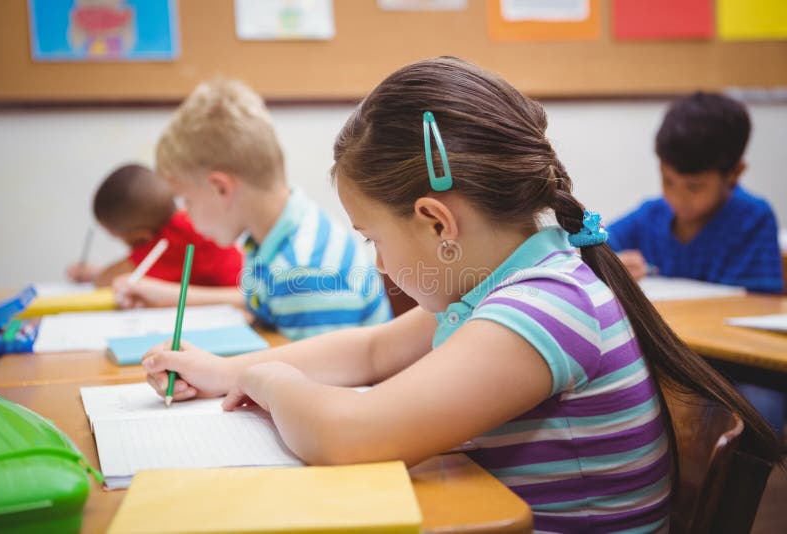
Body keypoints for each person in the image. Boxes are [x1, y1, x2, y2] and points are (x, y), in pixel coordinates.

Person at [141, 59, 782, 531]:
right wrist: (226, 370)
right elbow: (367, 352)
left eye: (372, 238)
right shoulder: (503, 284)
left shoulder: (541, 309)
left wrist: (270, 379)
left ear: (437, 222)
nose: (378, 264)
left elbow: (350, 434)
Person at [114, 79, 391, 340]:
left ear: (221, 188)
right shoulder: (277, 231)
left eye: (187, 200)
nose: (185, 214)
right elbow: (265, 300)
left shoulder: (304, 271)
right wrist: (165, 294)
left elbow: (322, 383)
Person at [608, 92, 783, 294]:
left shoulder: (753, 220)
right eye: (668, 181)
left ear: (735, 173)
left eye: (694, 187)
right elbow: (589, 248)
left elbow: (758, 306)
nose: (677, 197)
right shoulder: (651, 216)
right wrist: (612, 266)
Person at [67, 163, 241, 287]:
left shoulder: (170, 240)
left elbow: (108, 281)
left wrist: (98, 275)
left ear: (141, 236)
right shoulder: (182, 223)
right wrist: (96, 272)